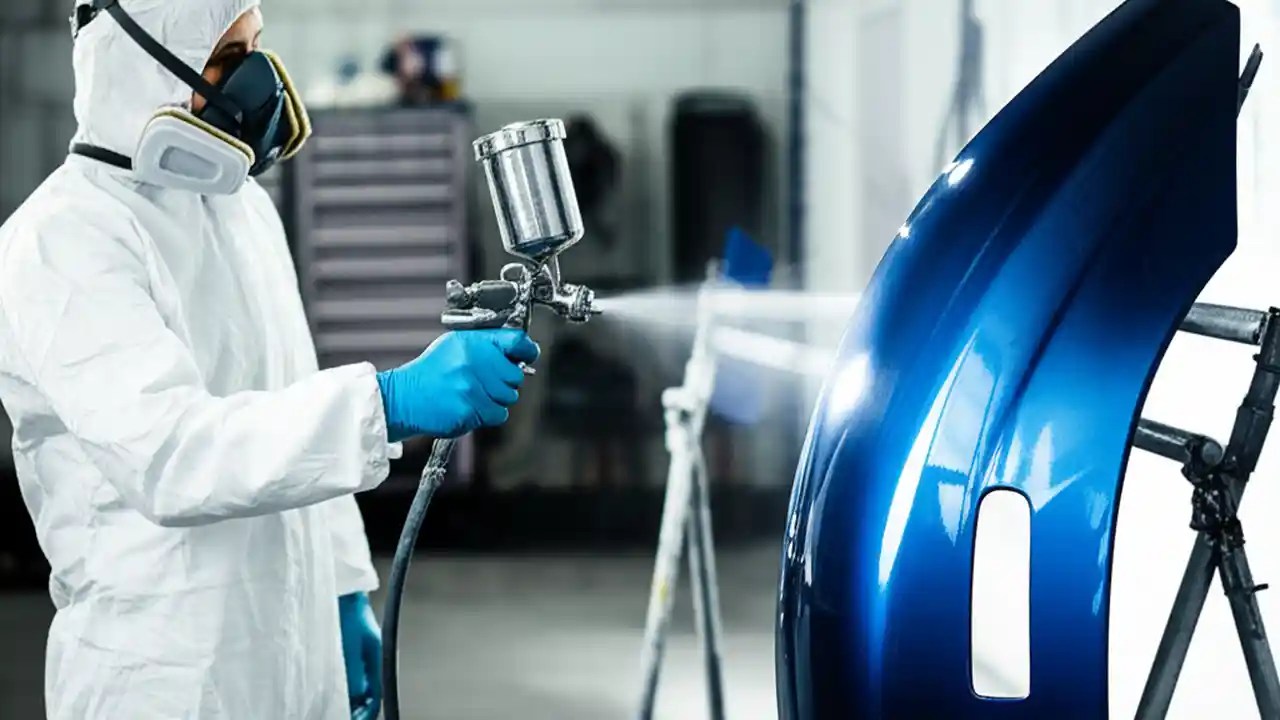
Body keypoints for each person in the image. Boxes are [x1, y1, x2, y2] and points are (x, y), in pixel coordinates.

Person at [0, 1, 536, 718]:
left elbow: (292, 392)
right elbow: (172, 456)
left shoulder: (240, 208)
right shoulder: (62, 240)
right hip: (162, 677)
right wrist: (390, 402)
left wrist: (344, 585)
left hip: (292, 645)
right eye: (226, 60)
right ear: (141, 71)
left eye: (257, 47)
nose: (258, 82)